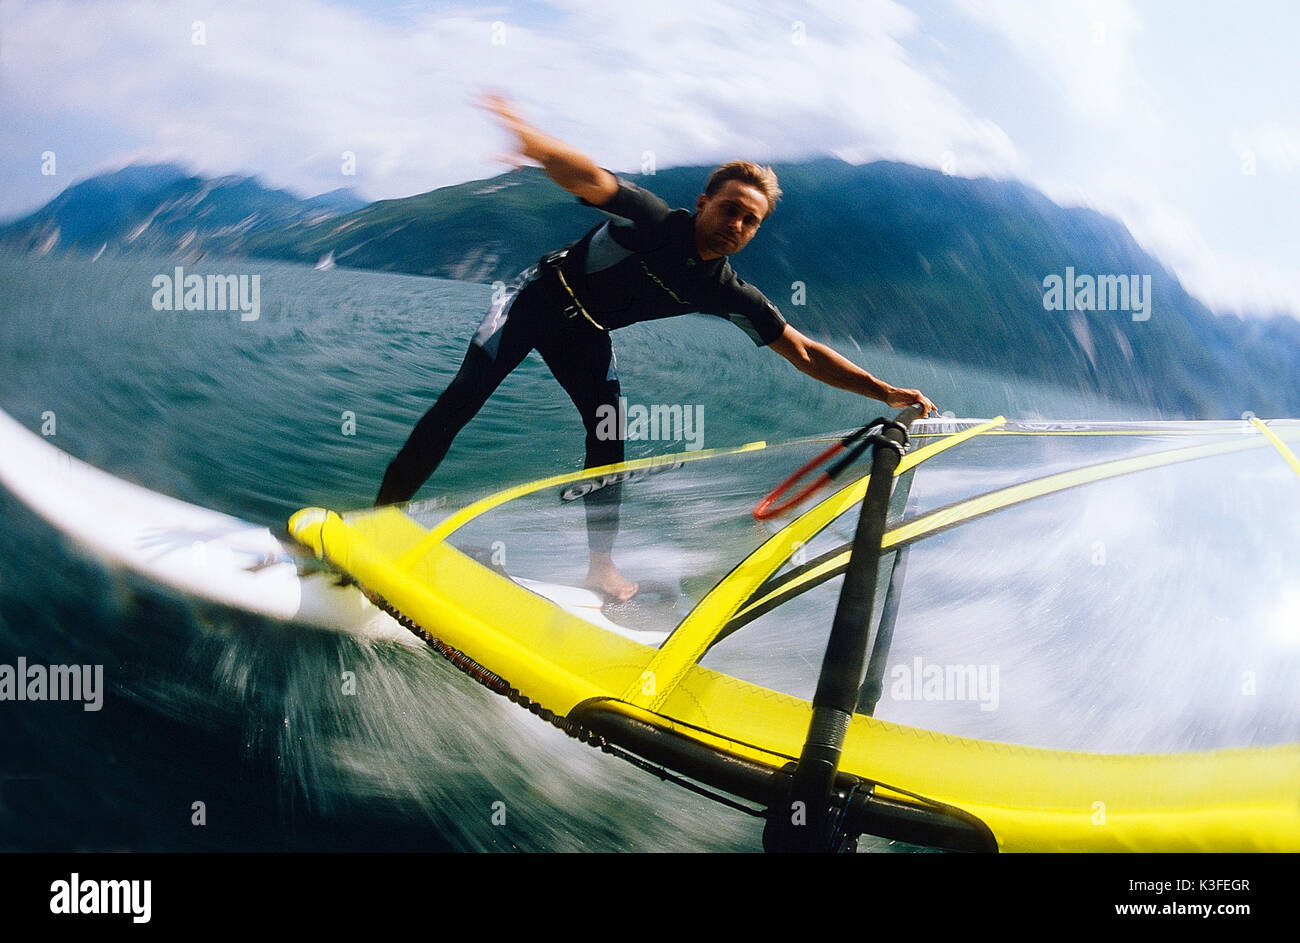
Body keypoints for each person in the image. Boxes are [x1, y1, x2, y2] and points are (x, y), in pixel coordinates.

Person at [376, 95, 937, 601]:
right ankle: (380, 524)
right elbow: (590, 179)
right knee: (463, 400)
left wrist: (884, 390)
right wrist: (533, 142)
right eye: (729, 209)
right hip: (537, 301)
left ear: (755, 231)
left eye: (750, 220)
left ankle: (599, 567)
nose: (736, 223)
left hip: (586, 331)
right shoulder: (652, 220)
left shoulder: (724, 291)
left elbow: (802, 350)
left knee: (608, 435)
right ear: (704, 202)